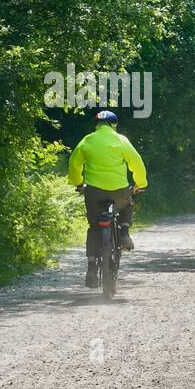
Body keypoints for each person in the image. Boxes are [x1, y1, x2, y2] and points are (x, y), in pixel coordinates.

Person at [67, 109, 148, 288]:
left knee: (94, 226)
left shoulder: (87, 140)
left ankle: (90, 267)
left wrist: (79, 183)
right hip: (119, 191)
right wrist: (140, 184)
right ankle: (125, 232)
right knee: (127, 204)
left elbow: (74, 164)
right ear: (114, 124)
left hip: (94, 192)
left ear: (97, 124)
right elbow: (137, 163)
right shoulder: (121, 140)